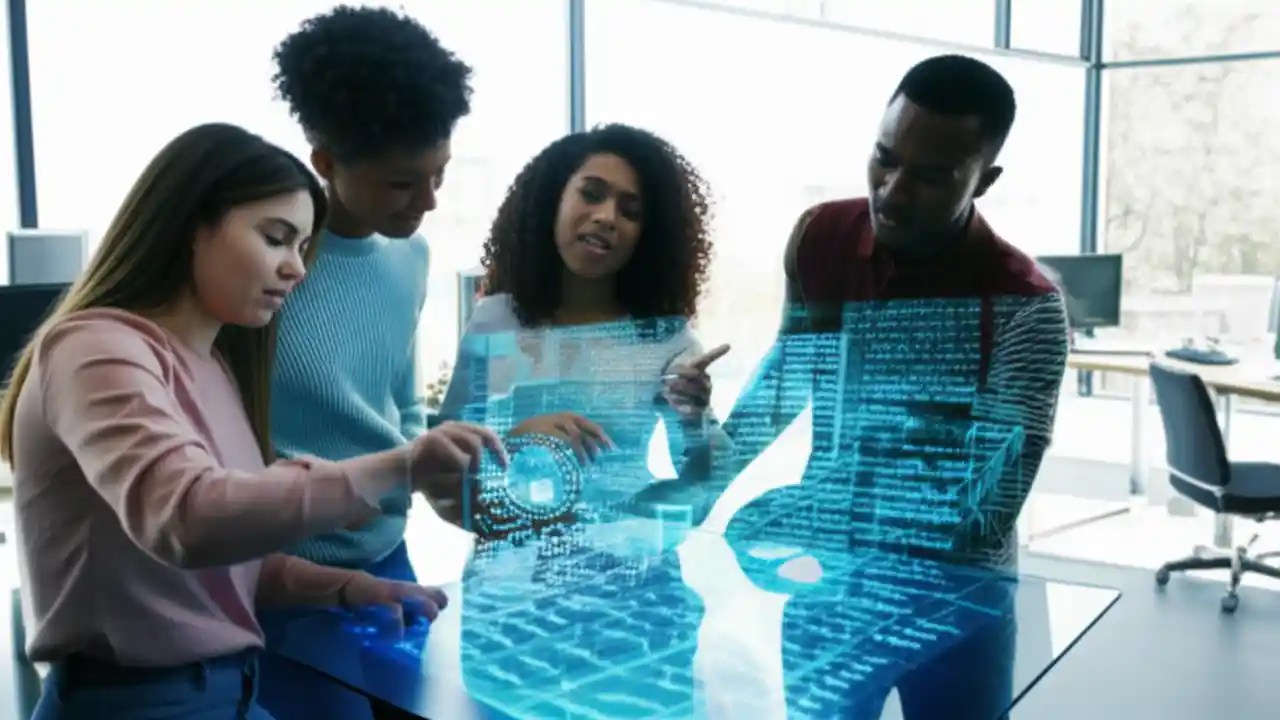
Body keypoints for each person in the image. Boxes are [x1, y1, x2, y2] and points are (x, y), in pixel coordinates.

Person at [0, 123, 502, 720]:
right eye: (276, 238)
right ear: (190, 225)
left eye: (301, 248)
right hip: (136, 702)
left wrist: (343, 587)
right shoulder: (95, 347)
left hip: (226, 690)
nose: (296, 269)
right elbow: (186, 518)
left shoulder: (212, 363)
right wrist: (402, 467)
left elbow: (224, 563)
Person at [709, 55, 1069, 719]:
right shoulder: (820, 237)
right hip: (830, 590)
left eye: (931, 177)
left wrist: (799, 512)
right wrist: (703, 470)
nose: (893, 191)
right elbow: (793, 373)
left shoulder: (1027, 306)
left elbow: (987, 512)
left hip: (959, 602)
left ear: (983, 180)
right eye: (884, 158)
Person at [257, 8, 475, 718]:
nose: (430, 202)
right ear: (326, 163)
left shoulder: (410, 257)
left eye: (439, 174)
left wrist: (410, 469)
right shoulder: (263, 271)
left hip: (389, 554)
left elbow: (397, 399)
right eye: (404, 184)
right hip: (283, 576)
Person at [438, 124, 730, 537]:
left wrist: (693, 421)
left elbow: (705, 488)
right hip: (514, 577)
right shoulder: (495, 321)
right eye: (591, 194)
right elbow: (440, 475)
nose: (607, 217)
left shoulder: (665, 340)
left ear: (648, 236)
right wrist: (517, 443)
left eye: (630, 211)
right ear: (552, 199)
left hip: (628, 577)